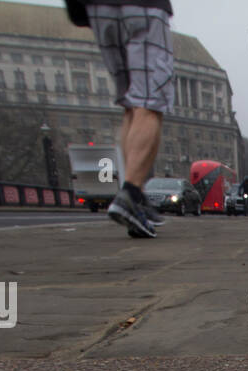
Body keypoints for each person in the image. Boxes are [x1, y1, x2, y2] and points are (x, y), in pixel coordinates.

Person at [74, 2, 174, 238]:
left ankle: (136, 197)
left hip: (99, 10)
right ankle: (130, 193)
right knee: (149, 102)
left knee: (131, 105)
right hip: (142, 6)